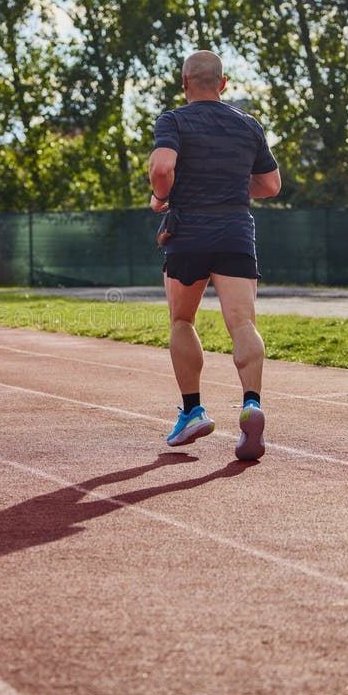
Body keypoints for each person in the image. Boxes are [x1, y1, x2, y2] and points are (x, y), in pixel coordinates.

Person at [148, 50, 281, 460]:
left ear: (185, 83)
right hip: (236, 231)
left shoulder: (173, 120)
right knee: (243, 323)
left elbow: (162, 166)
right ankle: (252, 403)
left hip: (189, 233)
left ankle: (192, 412)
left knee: (183, 320)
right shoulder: (248, 124)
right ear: (223, 84)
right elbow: (271, 185)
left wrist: (161, 196)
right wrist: (233, 189)